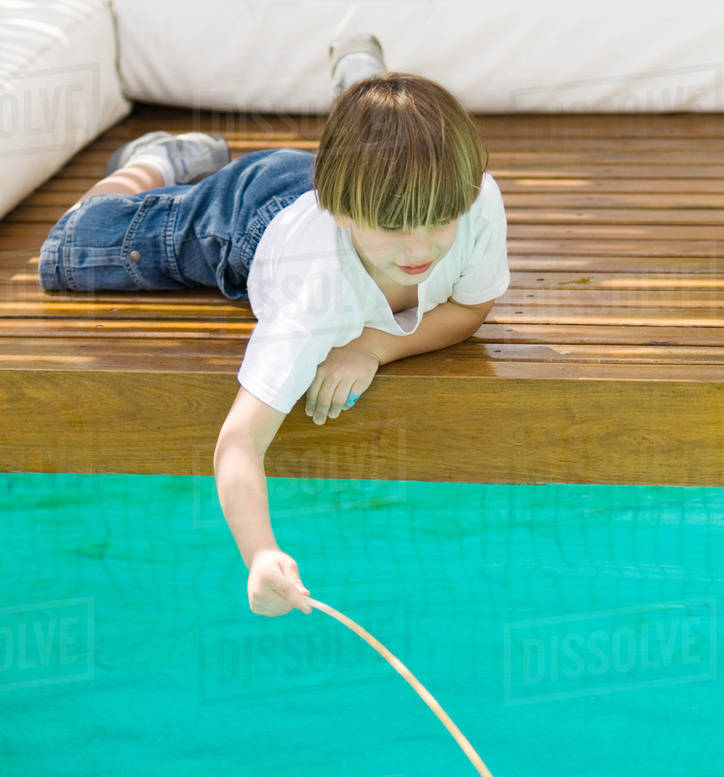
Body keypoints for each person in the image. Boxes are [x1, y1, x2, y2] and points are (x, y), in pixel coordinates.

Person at [38, 35, 511, 618]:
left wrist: (376, 346)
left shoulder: (471, 199)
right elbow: (239, 441)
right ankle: (157, 161)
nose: (421, 248)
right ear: (338, 208)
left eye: (439, 220)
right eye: (395, 227)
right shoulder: (313, 295)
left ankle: (360, 86)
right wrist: (259, 552)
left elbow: (473, 307)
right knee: (66, 249)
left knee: (380, 170)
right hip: (243, 217)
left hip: (358, 178)